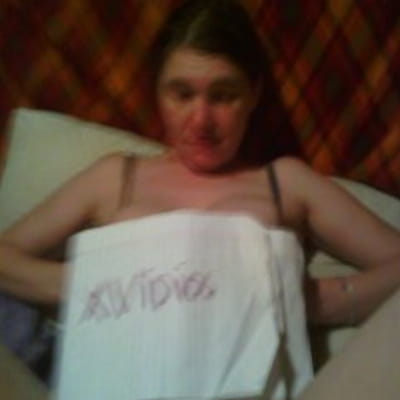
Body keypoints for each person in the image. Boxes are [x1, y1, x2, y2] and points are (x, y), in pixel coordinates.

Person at [0, 0, 399, 398]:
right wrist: (96, 284)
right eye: (182, 94)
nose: (201, 121)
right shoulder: (116, 177)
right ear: (157, 93)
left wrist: (314, 301)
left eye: (224, 95)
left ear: (254, 93)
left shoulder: (286, 182)